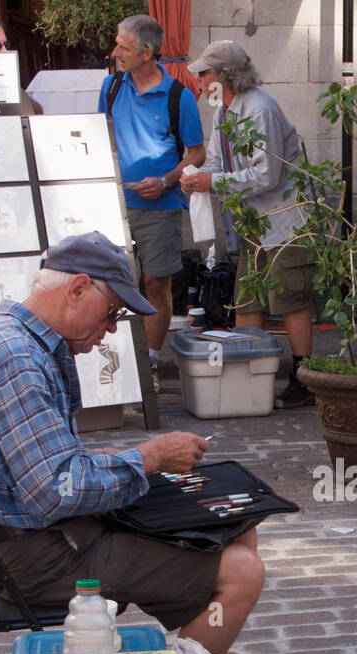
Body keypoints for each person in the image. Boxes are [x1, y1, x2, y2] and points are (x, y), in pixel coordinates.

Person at [0, 232, 264, 654]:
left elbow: (47, 465)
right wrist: (150, 457)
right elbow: (54, 491)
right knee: (242, 573)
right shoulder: (15, 358)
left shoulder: (16, 342)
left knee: (237, 525)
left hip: (48, 535)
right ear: (77, 288)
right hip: (44, 554)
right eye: (112, 312)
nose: (108, 329)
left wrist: (125, 461)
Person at [180, 42, 317, 409]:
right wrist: (196, 177)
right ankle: (251, 372)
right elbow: (214, 161)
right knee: (247, 300)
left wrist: (212, 183)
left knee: (289, 299)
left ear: (223, 76)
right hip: (255, 221)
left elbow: (267, 174)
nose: (199, 79)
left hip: (287, 219)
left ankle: (305, 378)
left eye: (204, 73)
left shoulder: (260, 108)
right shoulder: (222, 112)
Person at [100, 14, 204, 380]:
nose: (115, 53)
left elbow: (196, 153)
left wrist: (165, 181)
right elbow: (99, 137)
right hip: (112, 205)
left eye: (123, 47)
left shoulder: (180, 97)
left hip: (160, 206)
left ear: (146, 53)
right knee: (107, 283)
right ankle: (111, 363)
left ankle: (150, 363)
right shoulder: (111, 87)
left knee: (156, 282)